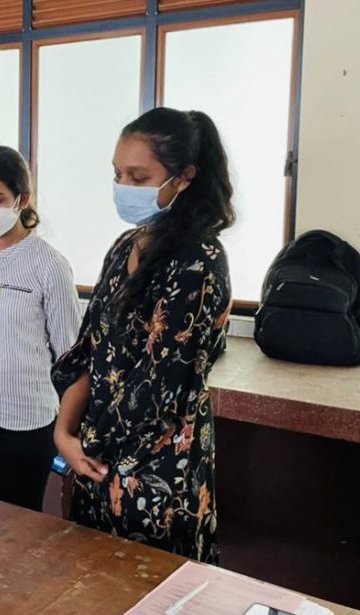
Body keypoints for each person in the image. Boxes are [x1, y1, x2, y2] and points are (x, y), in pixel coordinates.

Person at [52, 108, 234, 563]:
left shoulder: (199, 259)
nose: (123, 188)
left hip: (159, 465)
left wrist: (86, 445)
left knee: (155, 593)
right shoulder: (124, 247)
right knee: (90, 582)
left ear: (185, 177)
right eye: (118, 174)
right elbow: (89, 351)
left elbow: (160, 385)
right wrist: (64, 434)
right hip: (96, 457)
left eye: (138, 176)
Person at [0, 146, 81, 511]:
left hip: (26, 417)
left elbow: (70, 353)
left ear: (22, 199)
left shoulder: (48, 265)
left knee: (21, 520)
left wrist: (69, 427)